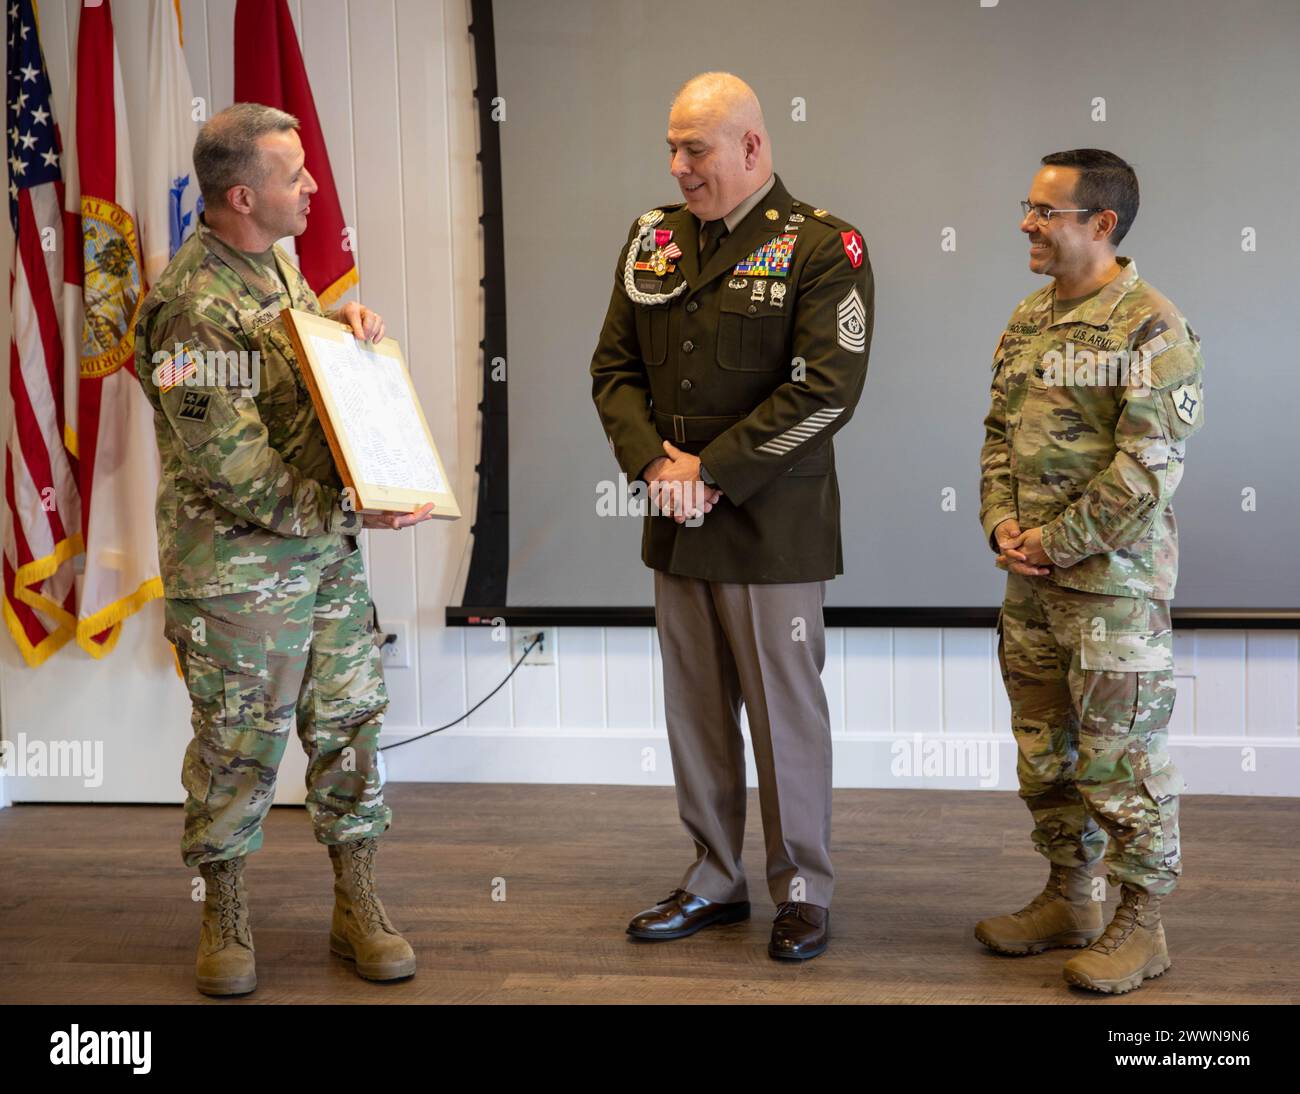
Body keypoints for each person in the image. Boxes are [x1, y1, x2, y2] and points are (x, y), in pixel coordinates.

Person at [133, 102, 435, 996]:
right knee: (238, 745)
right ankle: (223, 911)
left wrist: (343, 328)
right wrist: (353, 505)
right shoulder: (188, 308)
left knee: (350, 725)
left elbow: (287, 374)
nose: (311, 188)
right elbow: (231, 466)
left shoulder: (275, 265)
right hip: (237, 570)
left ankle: (357, 903)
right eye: (292, 176)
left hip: (322, 557)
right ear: (241, 196)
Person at [590, 72, 873, 961]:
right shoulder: (653, 239)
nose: (678, 166)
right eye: (671, 149)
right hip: (676, 521)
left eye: (695, 149)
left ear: (751, 146)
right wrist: (653, 463)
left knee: (785, 716)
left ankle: (803, 889)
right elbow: (613, 370)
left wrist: (711, 471)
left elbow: (827, 390)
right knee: (697, 712)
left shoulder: (822, 246)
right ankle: (715, 876)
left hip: (771, 526)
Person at [976, 149, 1205, 993]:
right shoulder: (1028, 318)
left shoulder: (1152, 327)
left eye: (1046, 211)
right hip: (1031, 588)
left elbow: (1146, 471)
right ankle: (1071, 896)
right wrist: (1002, 522)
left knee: (1120, 762)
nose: (1027, 224)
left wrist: (1055, 542)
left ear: (1102, 223)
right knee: (1046, 754)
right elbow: (998, 434)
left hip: (1113, 593)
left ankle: (1141, 925)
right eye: (1029, 206)